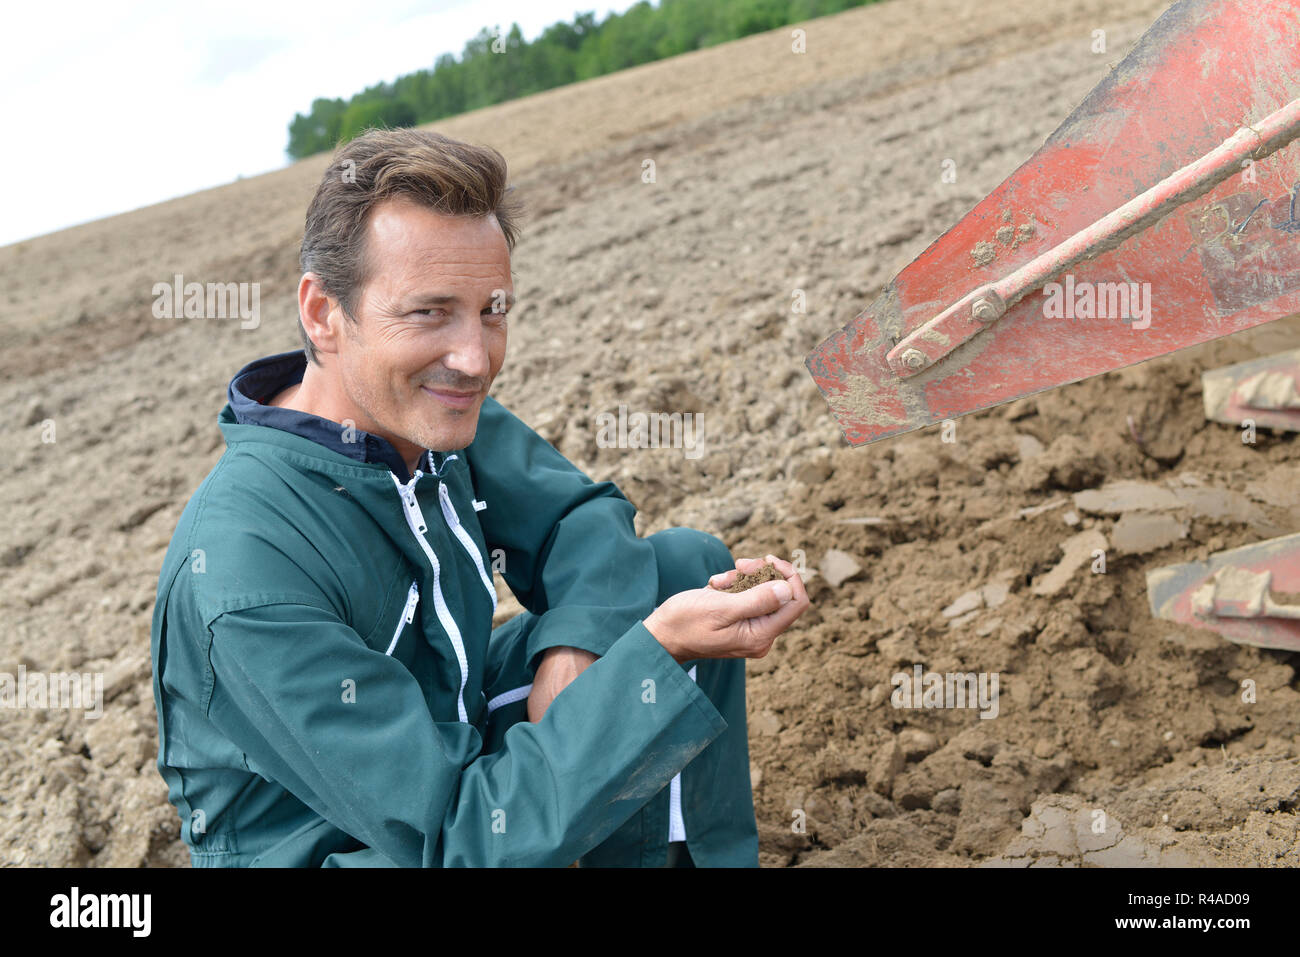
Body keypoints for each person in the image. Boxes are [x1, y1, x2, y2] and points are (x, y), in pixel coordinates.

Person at [149, 127, 810, 867]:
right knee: (645, 655)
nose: (473, 358)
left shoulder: (425, 420)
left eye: (491, 309)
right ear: (323, 313)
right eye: (429, 312)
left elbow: (579, 520)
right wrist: (649, 658)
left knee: (679, 569)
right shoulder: (246, 573)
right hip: (367, 844)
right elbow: (453, 838)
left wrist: (578, 648)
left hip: (451, 754)